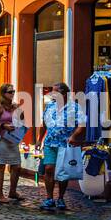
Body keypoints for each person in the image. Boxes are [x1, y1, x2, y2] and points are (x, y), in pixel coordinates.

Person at [39, 81, 85, 212]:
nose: (52, 94)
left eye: (55, 91)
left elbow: (82, 125)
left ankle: (60, 198)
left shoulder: (75, 108)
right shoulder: (49, 106)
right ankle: (49, 198)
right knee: (49, 168)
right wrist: (39, 140)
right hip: (49, 143)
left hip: (65, 144)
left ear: (64, 94)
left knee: (62, 173)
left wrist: (74, 136)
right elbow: (43, 124)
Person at [0, 83, 24, 203]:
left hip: (12, 139)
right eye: (10, 92)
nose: (13, 94)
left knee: (17, 166)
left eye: (13, 91)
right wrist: (4, 125)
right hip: (1, 140)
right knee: (1, 167)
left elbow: (21, 120)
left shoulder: (15, 106)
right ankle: (0, 195)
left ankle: (12, 192)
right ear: (3, 94)